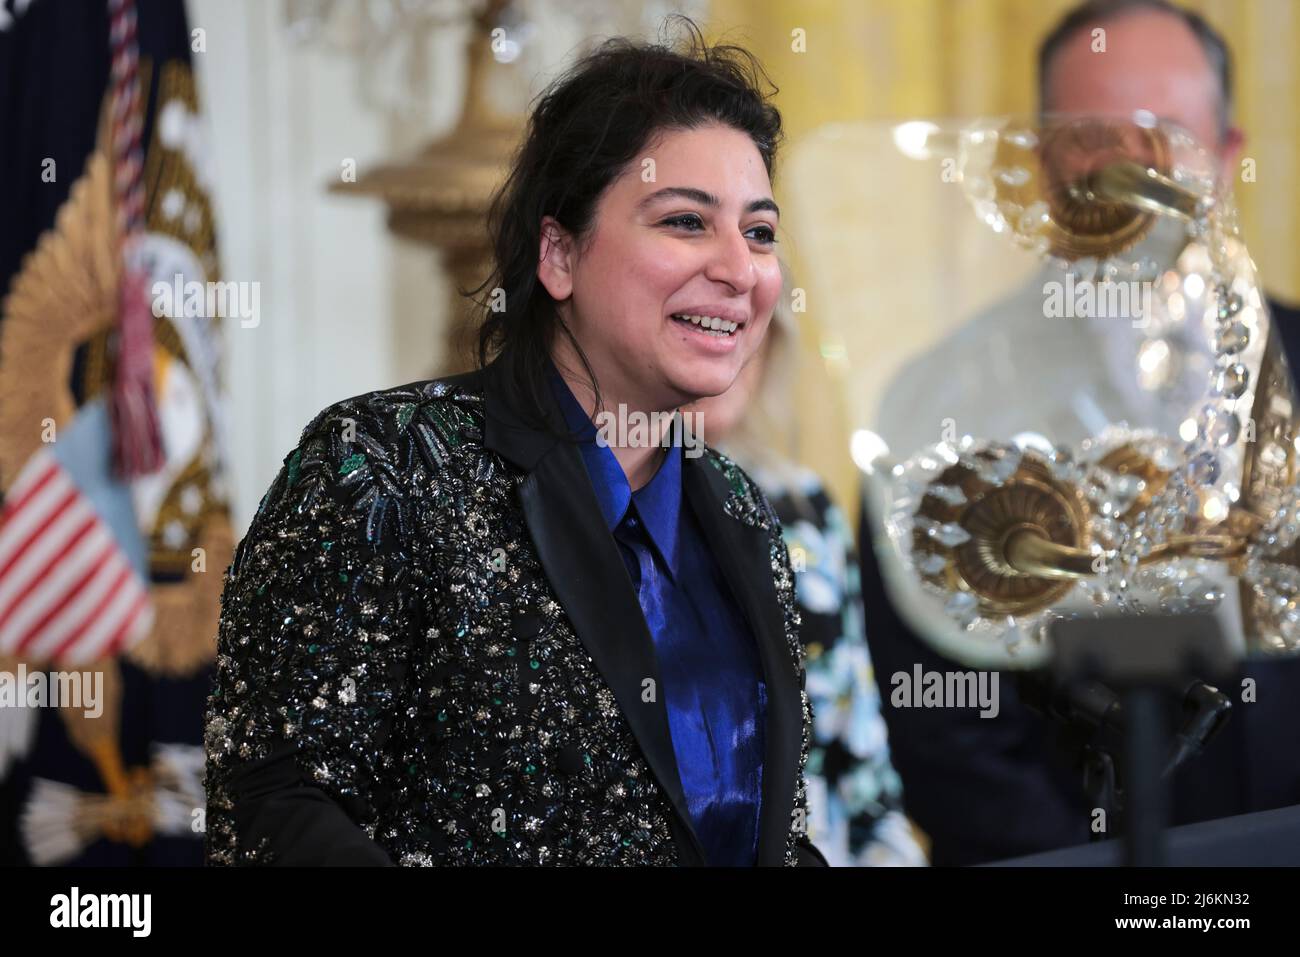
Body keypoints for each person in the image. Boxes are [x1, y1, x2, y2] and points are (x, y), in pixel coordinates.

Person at [203, 22, 828, 867]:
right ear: (559, 253)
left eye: (759, 232)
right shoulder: (382, 466)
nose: (739, 268)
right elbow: (276, 813)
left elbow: (774, 842)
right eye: (687, 221)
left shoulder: (743, 512)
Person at [860, 0, 1300, 865]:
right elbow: (941, 715)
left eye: (1165, 133)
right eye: (1092, 134)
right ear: (1040, 160)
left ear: (1229, 155)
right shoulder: (943, 393)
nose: (1125, 169)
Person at [689, 268, 927, 866]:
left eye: (745, 327)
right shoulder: (593, 512)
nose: (731, 345)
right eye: (702, 325)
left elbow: (863, 768)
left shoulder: (805, 506)